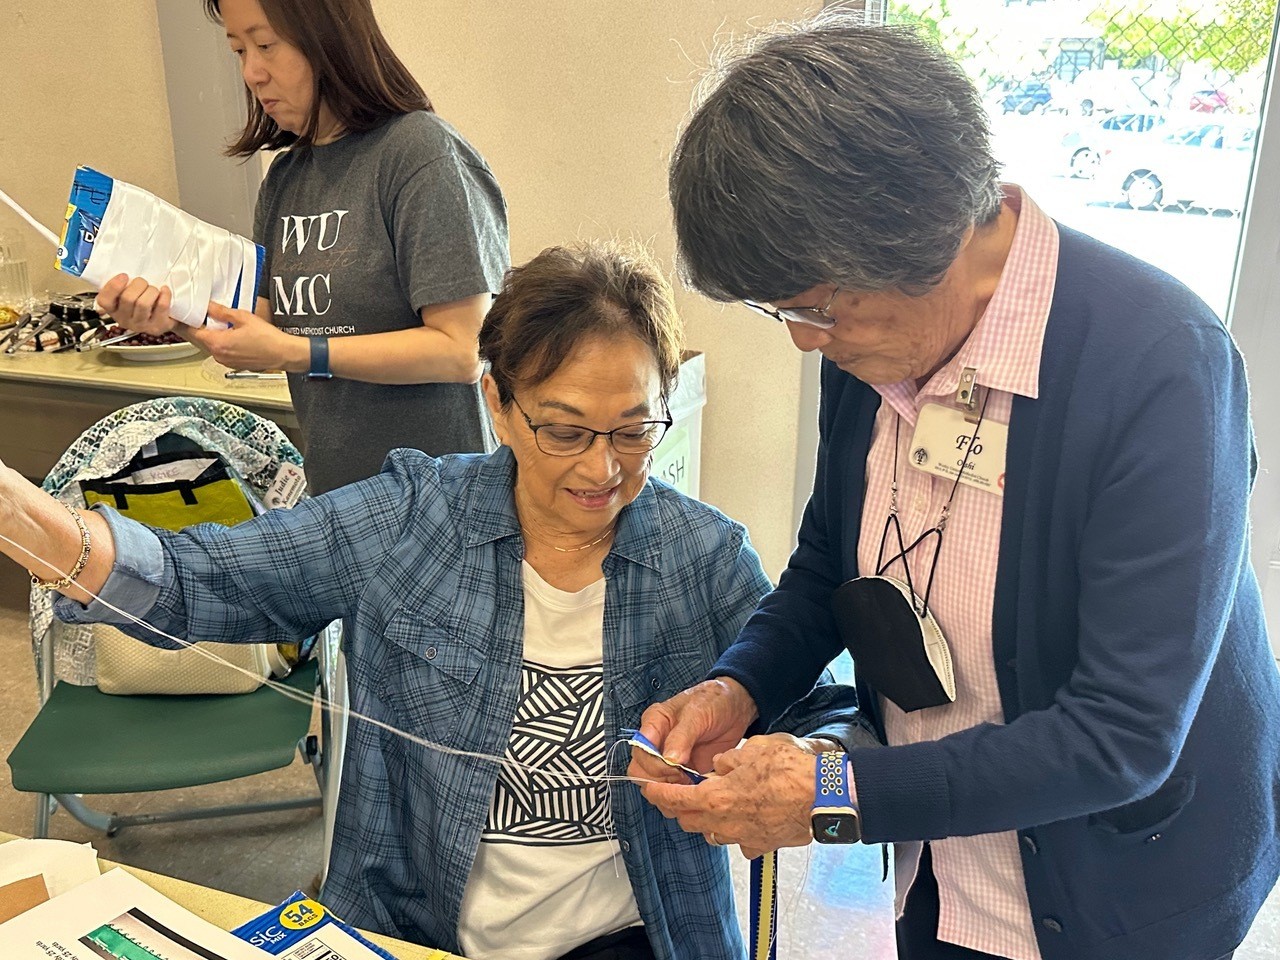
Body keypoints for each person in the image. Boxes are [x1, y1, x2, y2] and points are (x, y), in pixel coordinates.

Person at [0, 242, 863, 960]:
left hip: (635, 935)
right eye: (564, 431)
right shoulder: (411, 519)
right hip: (414, 931)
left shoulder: (703, 556)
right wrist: (30, 521)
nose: (602, 469)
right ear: (497, 404)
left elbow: (829, 714)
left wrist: (800, 773)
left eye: (635, 430)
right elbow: (205, 577)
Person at [631, 14, 1280, 960]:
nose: (805, 340)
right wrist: (742, 684)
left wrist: (834, 793)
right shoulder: (872, 350)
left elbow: (1123, 736)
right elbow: (829, 565)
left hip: (1118, 887)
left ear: (921, 238)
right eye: (784, 310)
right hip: (941, 854)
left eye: (814, 306)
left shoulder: (1161, 367)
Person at [97, 0, 509, 493]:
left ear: (329, 38)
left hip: (440, 503)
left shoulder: (421, 155)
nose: (251, 73)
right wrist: (169, 318)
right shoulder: (286, 178)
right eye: (239, 50)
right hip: (338, 497)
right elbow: (258, 333)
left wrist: (301, 352)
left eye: (266, 45)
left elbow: (461, 350)